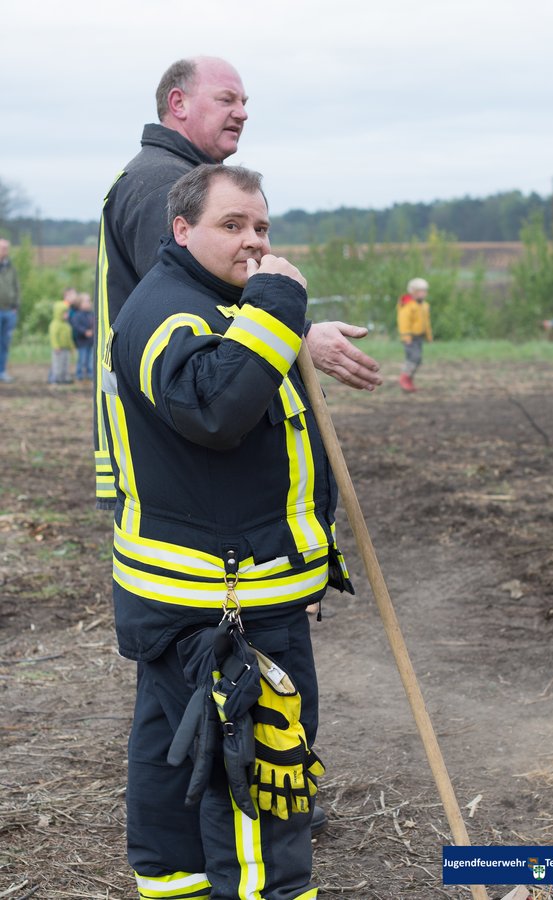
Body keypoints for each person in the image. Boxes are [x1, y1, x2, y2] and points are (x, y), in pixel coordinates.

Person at [101, 163, 353, 900]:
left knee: (172, 760)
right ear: (181, 230)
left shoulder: (219, 309)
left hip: (204, 594)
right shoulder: (169, 315)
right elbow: (216, 410)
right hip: (221, 605)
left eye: (263, 227)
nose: (255, 243)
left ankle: (175, 886)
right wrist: (281, 302)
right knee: (257, 778)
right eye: (233, 225)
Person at [94, 54, 381, 509]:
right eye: (226, 99)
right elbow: (193, 304)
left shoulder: (169, 176)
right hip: (171, 445)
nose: (243, 112)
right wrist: (300, 334)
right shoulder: (163, 184)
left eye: (244, 102)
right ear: (178, 103)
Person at [397, 276, 433, 392]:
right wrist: (406, 336)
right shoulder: (408, 305)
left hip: (419, 337)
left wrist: (428, 335)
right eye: (421, 291)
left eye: (425, 291)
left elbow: (426, 322)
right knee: (413, 358)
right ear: (413, 292)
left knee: (417, 360)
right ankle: (404, 378)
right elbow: (403, 321)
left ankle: (409, 380)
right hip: (410, 337)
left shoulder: (424, 306)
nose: (424, 294)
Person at [0, 238, 20, 383]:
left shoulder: (11, 267)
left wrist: (15, 307)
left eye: (7, 248)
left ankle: (2, 371)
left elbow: (16, 287)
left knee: (4, 343)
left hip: (9, 311)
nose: (5, 251)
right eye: (3, 248)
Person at [48, 290, 75, 384]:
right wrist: (56, 346)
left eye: (67, 313)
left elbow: (69, 338)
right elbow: (53, 336)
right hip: (58, 349)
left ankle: (64, 378)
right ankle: (55, 378)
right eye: (64, 313)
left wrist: (72, 347)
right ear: (59, 313)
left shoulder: (67, 325)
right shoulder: (55, 324)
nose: (67, 315)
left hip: (66, 348)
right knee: (57, 364)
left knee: (65, 364)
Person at [71, 291, 94, 380]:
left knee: (91, 360)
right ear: (80, 304)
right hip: (82, 342)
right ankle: (79, 375)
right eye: (87, 301)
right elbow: (76, 326)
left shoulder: (91, 314)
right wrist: (85, 331)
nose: (90, 303)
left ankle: (90, 374)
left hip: (91, 342)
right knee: (82, 359)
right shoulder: (77, 315)